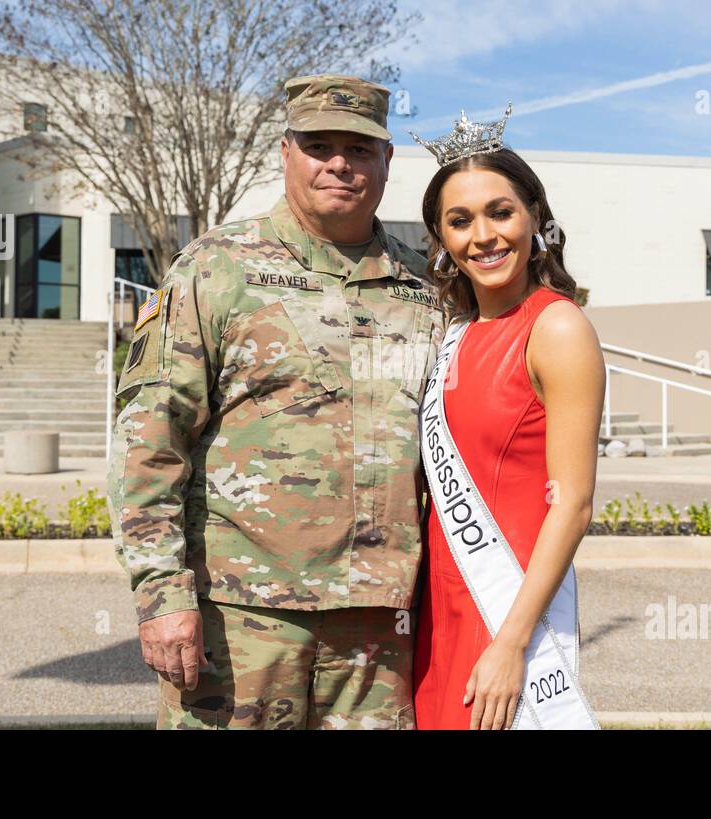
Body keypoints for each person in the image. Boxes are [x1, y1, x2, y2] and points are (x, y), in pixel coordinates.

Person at [107, 74, 442, 730]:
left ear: (387, 160)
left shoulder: (424, 288)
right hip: (242, 623)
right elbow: (149, 441)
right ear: (285, 152)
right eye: (320, 145)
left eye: (361, 148)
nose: (341, 163)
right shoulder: (216, 269)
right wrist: (162, 593)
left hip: (378, 631)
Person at [409, 108, 605, 729]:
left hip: (508, 607)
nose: (484, 236)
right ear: (441, 242)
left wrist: (513, 644)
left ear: (535, 218)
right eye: (460, 221)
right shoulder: (455, 333)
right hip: (437, 609)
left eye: (501, 212)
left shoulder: (558, 327)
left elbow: (572, 505)